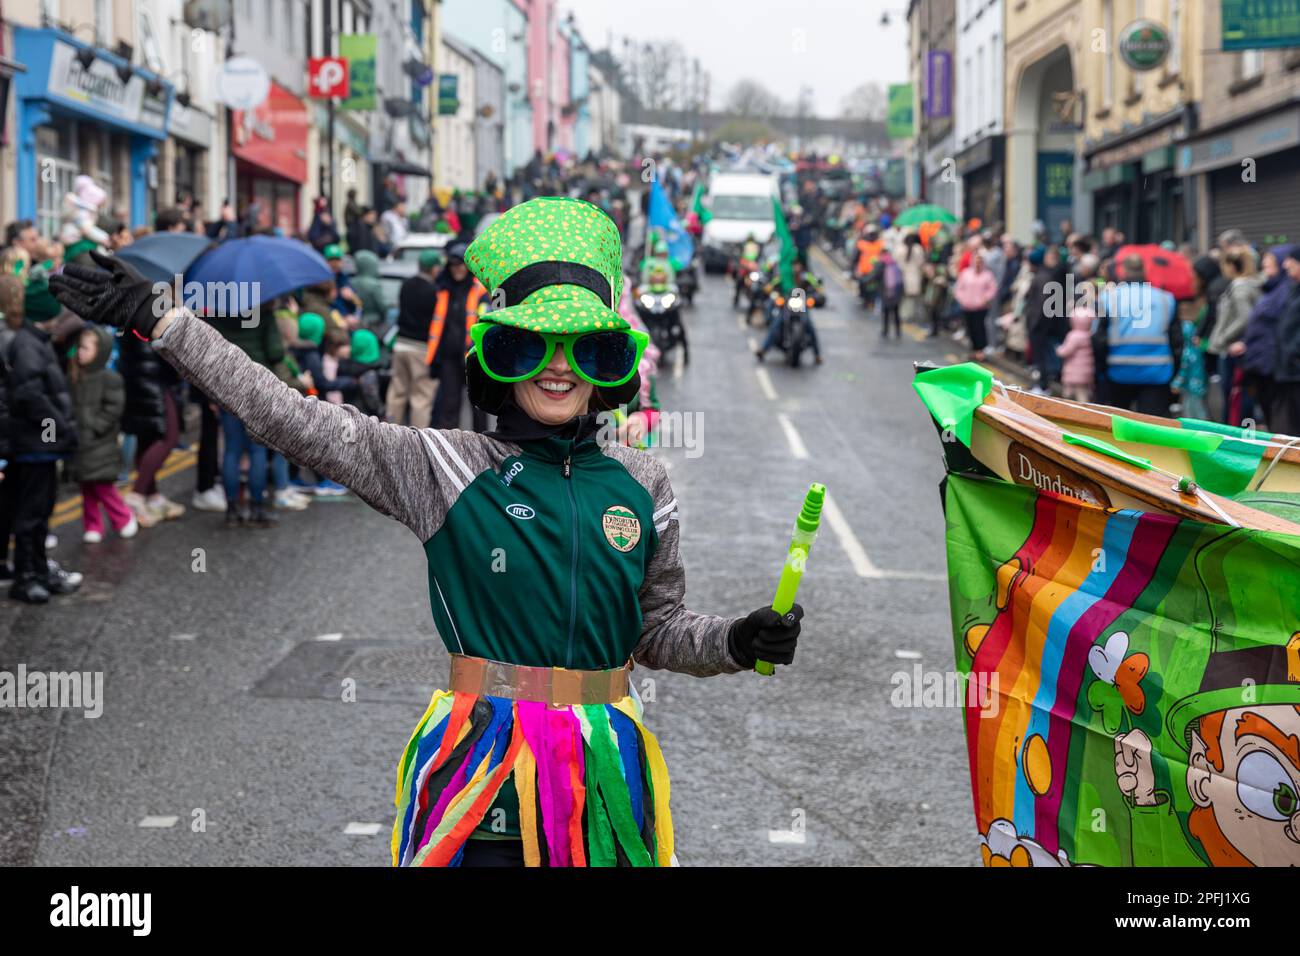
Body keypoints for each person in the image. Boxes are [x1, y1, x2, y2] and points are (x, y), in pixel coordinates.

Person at [50, 197, 806, 867]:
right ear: (496, 356)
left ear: (609, 364)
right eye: (529, 344)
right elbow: (292, 417)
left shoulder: (642, 482)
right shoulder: (443, 466)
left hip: (606, 777)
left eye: (585, 346)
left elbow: (657, 631)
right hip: (481, 769)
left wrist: (737, 641)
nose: (557, 367)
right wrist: (166, 322)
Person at [0, 274, 81, 602]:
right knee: (32, 513)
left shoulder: (34, 340)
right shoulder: (28, 343)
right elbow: (29, 394)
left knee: (40, 510)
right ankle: (27, 576)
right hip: (34, 445)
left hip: (39, 445)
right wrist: (59, 424)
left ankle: (38, 570)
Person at [69, 325, 138, 543]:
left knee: (103, 486)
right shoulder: (75, 376)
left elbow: (114, 408)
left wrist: (95, 426)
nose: (80, 352)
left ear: (100, 351)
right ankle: (93, 525)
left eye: (85, 348)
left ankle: (123, 518)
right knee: (86, 488)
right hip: (80, 442)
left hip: (100, 442)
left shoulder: (110, 378)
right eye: (79, 347)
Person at [1098, 254, 1179, 416]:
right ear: (1145, 270)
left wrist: (1102, 371)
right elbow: (1177, 341)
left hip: (1119, 373)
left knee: (1119, 429)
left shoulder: (1108, 298)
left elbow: (1099, 340)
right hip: (1157, 374)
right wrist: (1173, 371)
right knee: (1153, 430)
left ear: (1123, 271)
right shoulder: (1166, 299)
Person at [427, 243, 487, 431]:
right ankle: (449, 448)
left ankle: (482, 446)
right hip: (449, 358)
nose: (457, 269)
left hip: (472, 357)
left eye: (461, 265)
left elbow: (486, 319)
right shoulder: (442, 289)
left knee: (478, 407)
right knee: (449, 406)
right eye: (454, 265)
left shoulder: (479, 290)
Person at [1241, 245, 1298, 428]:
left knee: (1285, 422)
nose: (1264, 263)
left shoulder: (1286, 290)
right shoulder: (1273, 289)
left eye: (1270, 260)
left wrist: (1292, 357)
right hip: (1270, 364)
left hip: (1281, 366)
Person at [1207, 249, 1264, 426]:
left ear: (1232, 266)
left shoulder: (1239, 287)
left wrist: (1224, 336)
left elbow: (1245, 317)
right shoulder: (1255, 284)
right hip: (1246, 348)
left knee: (1236, 398)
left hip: (1235, 351)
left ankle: (1236, 438)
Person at [388, 250, 442, 428]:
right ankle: (418, 439)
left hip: (401, 344)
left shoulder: (406, 285)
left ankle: (389, 430)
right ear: (434, 269)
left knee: (397, 392)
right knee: (421, 397)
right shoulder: (434, 292)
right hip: (421, 348)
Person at [1273, 251, 1300, 434]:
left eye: (1291, 262)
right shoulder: (1293, 289)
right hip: (1289, 369)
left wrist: (1294, 354)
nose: (1286, 265)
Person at [954, 251, 998, 359]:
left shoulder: (988, 275)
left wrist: (986, 299)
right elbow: (959, 288)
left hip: (981, 307)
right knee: (970, 328)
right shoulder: (966, 273)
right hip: (967, 306)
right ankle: (973, 349)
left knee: (980, 328)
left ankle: (981, 350)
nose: (978, 264)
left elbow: (992, 289)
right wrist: (962, 299)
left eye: (980, 261)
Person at [1055, 298, 1095, 404]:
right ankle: (1086, 411)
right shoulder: (1090, 335)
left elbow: (1066, 351)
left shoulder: (1074, 336)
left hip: (1072, 372)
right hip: (1087, 372)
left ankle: (1065, 409)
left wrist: (1058, 350)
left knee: (1068, 393)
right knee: (1083, 393)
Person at [350, 250, 389, 331]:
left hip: (355, 321)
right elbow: (382, 306)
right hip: (373, 323)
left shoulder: (351, 282)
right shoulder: (374, 285)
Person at [877, 246, 903, 339]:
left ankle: (885, 330)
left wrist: (863, 280)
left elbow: (875, 276)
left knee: (886, 312)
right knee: (896, 312)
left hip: (886, 292)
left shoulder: (881, 263)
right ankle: (898, 331)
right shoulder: (894, 262)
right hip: (897, 291)